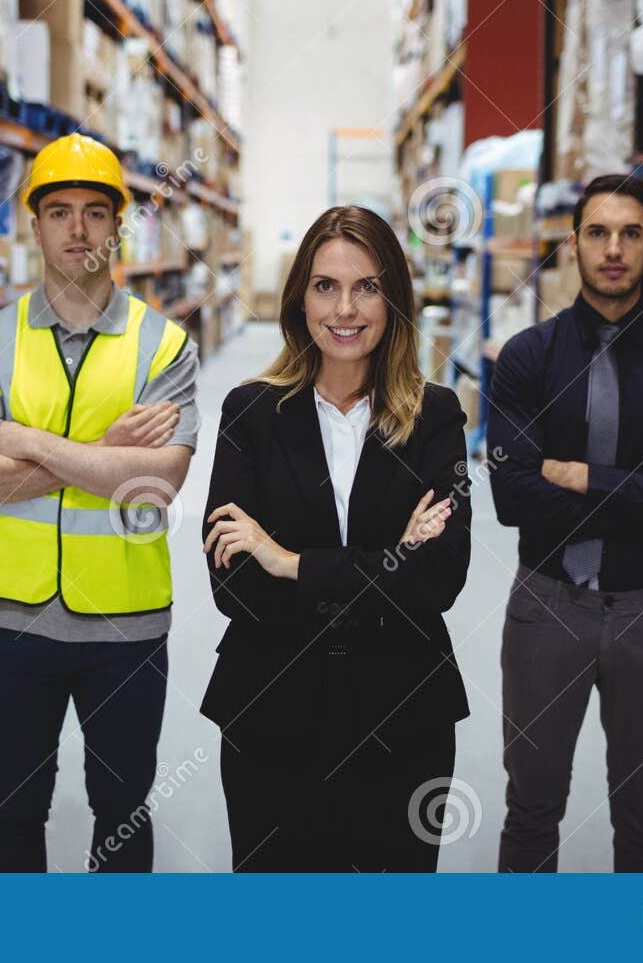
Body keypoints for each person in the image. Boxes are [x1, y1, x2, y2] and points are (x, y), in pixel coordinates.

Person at [0, 133, 198, 872]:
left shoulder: (164, 345)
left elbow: (157, 481)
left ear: (118, 226)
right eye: (59, 211)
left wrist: (27, 439)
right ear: (35, 225)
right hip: (10, 619)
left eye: (94, 211)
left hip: (125, 619)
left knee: (121, 811)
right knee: (15, 809)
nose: (77, 228)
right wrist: (99, 454)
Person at [200, 205, 472, 872]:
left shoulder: (436, 416)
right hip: (274, 714)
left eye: (367, 286)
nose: (344, 308)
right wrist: (387, 563)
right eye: (325, 285)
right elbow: (234, 587)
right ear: (300, 298)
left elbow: (440, 578)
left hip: (403, 715)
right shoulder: (251, 413)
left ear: (394, 299)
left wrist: (288, 559)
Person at [487, 174, 643, 874]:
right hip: (546, 604)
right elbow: (513, 497)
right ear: (573, 244)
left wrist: (582, 476)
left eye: (630, 233)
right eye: (598, 232)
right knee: (531, 812)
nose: (614, 248)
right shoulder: (527, 358)